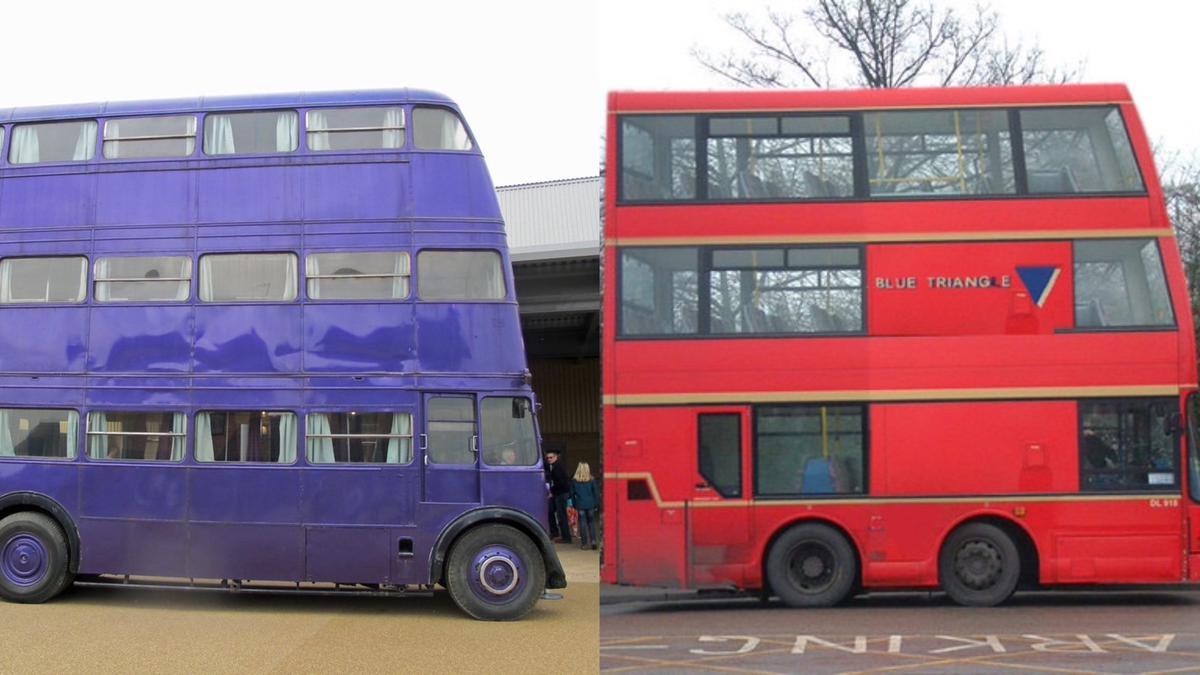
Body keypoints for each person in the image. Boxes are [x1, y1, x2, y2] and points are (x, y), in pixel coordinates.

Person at [570, 461, 599, 550]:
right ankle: (593, 541)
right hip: (591, 504)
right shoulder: (592, 480)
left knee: (582, 523)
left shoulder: (574, 481)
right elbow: (596, 493)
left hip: (580, 504)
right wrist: (596, 504)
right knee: (591, 522)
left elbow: (572, 494)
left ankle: (584, 544)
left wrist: (574, 505)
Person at [546, 450, 572, 544]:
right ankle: (559, 534)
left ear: (556, 457)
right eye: (547, 458)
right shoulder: (555, 467)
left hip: (561, 494)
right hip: (560, 493)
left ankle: (566, 537)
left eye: (551, 457)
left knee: (562, 516)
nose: (549, 459)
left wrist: (552, 491)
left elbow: (561, 483)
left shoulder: (557, 468)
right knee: (555, 513)